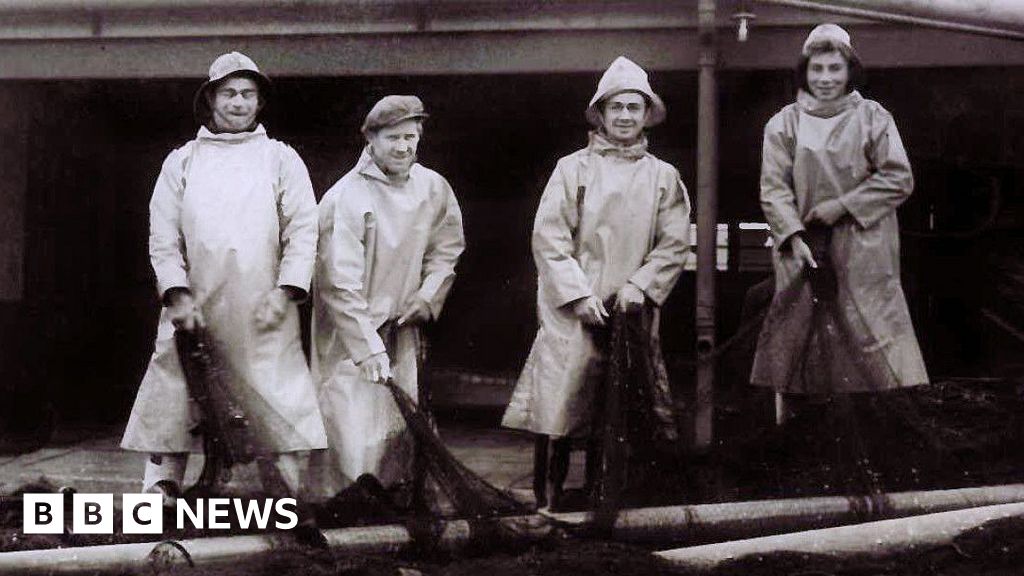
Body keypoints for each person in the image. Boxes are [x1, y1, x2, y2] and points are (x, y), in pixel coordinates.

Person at [121, 51, 327, 502]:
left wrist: (287, 290)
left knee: (280, 400)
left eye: (248, 94)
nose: (239, 102)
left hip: (264, 311)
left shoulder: (281, 159)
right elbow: (163, 236)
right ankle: (158, 494)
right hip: (194, 307)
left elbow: (304, 229)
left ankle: (286, 500)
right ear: (211, 99)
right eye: (229, 93)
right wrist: (176, 293)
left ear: (260, 102)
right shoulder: (182, 161)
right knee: (173, 398)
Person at [502, 56, 690, 509]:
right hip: (575, 309)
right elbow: (549, 236)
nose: (624, 116)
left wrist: (640, 287)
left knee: (623, 407)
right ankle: (545, 503)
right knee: (559, 405)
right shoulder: (573, 170)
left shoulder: (664, 178)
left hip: (630, 309)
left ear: (647, 115)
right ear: (601, 114)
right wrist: (579, 294)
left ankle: (610, 500)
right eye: (616, 107)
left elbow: (674, 243)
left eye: (633, 107)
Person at [751, 24, 929, 418]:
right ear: (805, 72)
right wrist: (793, 236)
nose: (826, 78)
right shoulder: (784, 123)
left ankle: (885, 427)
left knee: (873, 335)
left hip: (866, 246)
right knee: (798, 338)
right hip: (803, 249)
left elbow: (899, 178)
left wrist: (843, 206)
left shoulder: (873, 118)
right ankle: (798, 429)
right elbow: (773, 189)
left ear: (849, 71)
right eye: (817, 69)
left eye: (835, 68)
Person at [309, 95, 465, 500]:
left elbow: (447, 249)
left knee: (398, 424)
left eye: (410, 137)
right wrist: (367, 346)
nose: (403, 147)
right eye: (393, 137)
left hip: (404, 328)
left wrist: (429, 297)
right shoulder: (345, 197)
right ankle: (345, 507)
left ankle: (391, 504)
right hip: (351, 338)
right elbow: (337, 282)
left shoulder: (433, 188)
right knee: (351, 424)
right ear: (371, 140)